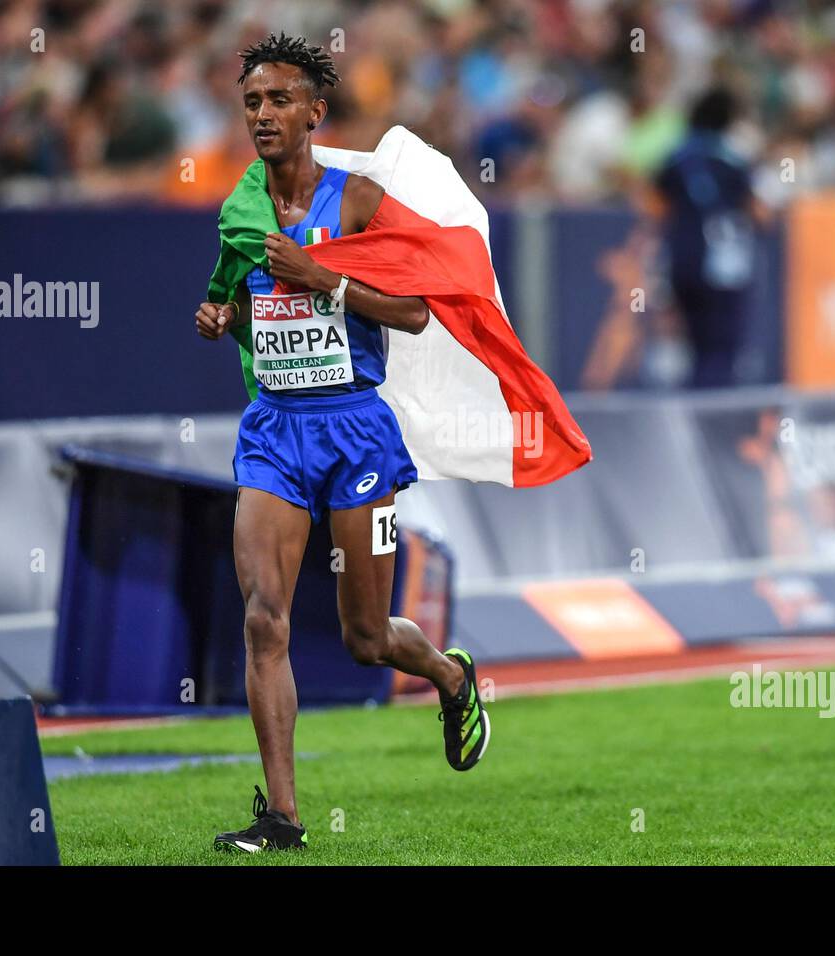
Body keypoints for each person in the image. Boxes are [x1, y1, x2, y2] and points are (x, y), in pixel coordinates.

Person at [193, 33, 489, 853]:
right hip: (275, 431)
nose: (263, 114)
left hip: (356, 430)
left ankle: (450, 675)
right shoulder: (240, 210)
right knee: (265, 622)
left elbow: (416, 311)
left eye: (280, 100)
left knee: (365, 638)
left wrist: (327, 279)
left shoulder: (357, 201)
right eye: (252, 101)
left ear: (315, 112)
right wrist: (219, 317)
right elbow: (231, 299)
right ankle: (282, 819)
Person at [649, 87, 757, 389]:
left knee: (693, 344)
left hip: (682, 260)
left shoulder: (675, 156)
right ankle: (713, 421)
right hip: (721, 266)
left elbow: (655, 205)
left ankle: (695, 408)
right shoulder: (733, 158)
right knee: (721, 347)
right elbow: (757, 211)